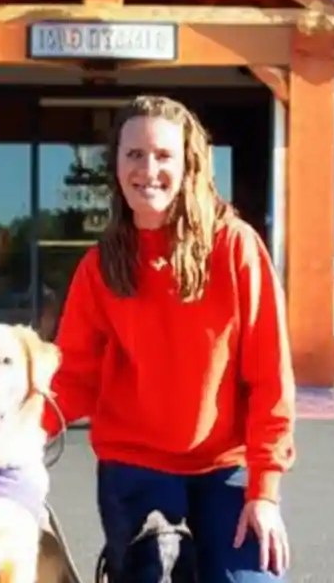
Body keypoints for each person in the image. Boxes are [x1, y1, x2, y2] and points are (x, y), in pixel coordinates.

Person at [41, 94, 296, 581]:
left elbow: (270, 377)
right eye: (134, 154)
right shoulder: (101, 266)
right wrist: (19, 440)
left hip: (226, 464)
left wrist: (265, 491)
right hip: (135, 464)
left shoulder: (234, 246)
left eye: (163, 156)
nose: (148, 169)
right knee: (154, 572)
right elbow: (73, 376)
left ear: (189, 165)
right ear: (116, 165)